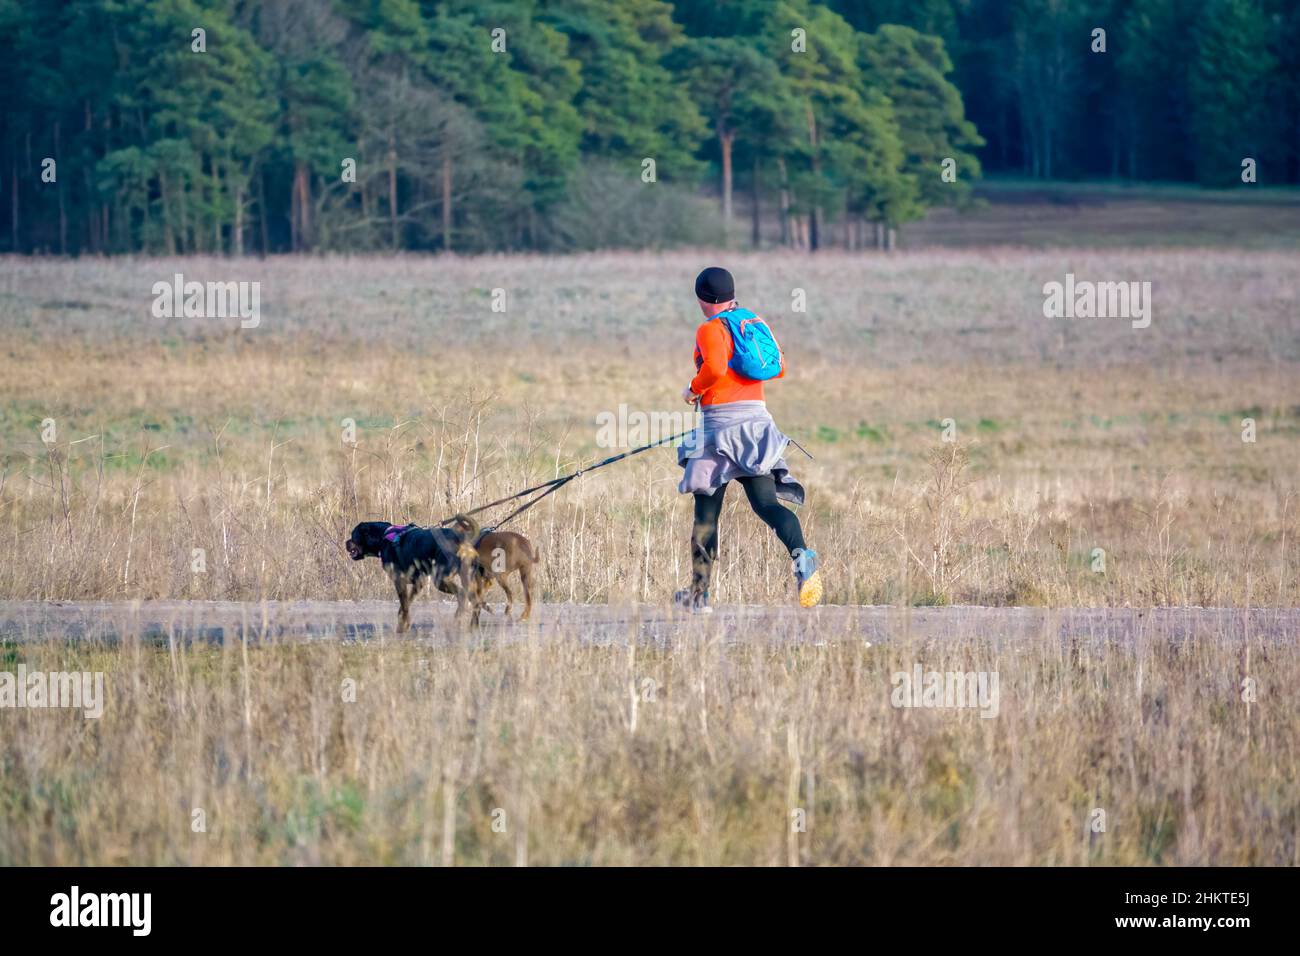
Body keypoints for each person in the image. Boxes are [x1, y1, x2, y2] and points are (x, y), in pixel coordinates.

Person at [675, 266, 821, 613]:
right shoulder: (752, 322)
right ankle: (803, 558)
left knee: (706, 516)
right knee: (768, 506)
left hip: (720, 429)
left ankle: (699, 596)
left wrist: (693, 389)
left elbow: (714, 369)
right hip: (756, 426)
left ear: (701, 298)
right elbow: (778, 365)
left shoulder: (709, 329)